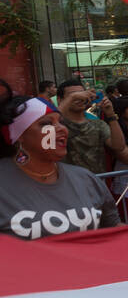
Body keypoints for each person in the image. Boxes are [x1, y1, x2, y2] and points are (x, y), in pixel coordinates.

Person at [0, 92, 120, 239]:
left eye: (60, 122)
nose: (62, 129)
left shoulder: (86, 178)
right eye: (46, 124)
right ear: (19, 136)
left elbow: (115, 229)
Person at [56, 78, 125, 175]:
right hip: (67, 184)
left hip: (97, 181)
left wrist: (111, 115)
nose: (79, 98)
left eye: (82, 94)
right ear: (60, 100)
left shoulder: (98, 124)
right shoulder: (57, 125)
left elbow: (119, 146)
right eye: (73, 95)